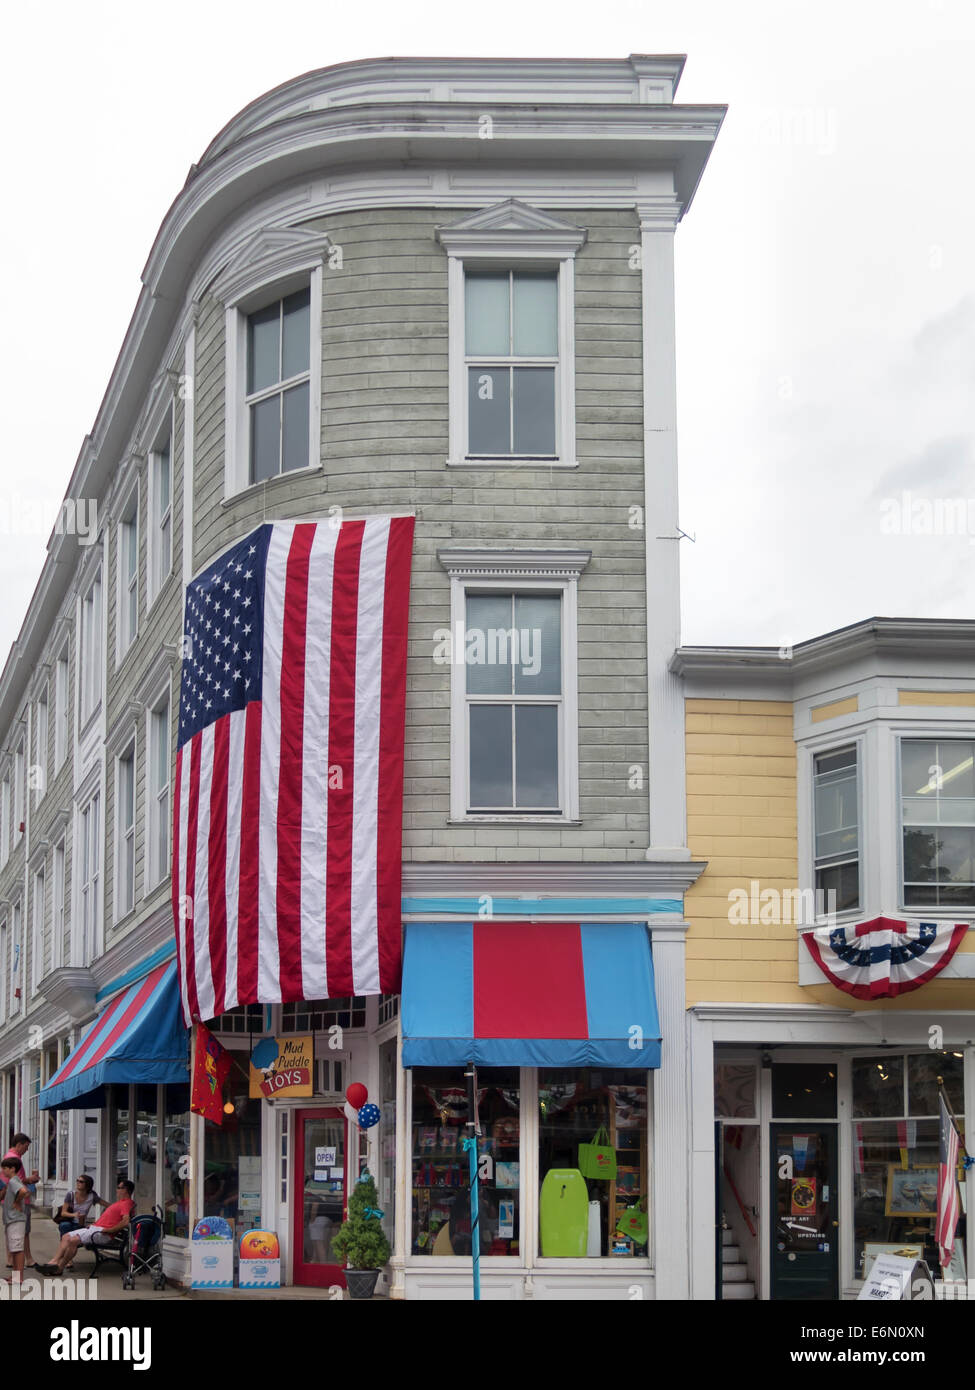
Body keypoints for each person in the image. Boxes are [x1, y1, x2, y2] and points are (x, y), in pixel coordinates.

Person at [40, 1179, 135, 1275]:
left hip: (102, 1233)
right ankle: (54, 1262)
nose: (116, 1190)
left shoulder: (126, 1203)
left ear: (125, 1190)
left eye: (119, 1188)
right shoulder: (120, 1203)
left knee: (73, 1241)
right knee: (66, 1237)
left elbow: (125, 1221)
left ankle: (58, 1268)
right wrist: (95, 1224)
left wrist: (109, 1230)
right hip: (95, 1228)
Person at [2, 1134, 39, 1269]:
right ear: (19, 1144)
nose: (27, 1150)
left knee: (12, 1229)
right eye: (26, 1146)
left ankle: (11, 1259)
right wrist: (30, 1180)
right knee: (23, 1230)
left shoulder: (9, 1157)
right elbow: (15, 1182)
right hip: (18, 1200)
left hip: (10, 1200)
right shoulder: (13, 1159)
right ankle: (26, 1259)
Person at [1, 1157, 27, 1283]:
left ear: (12, 1169)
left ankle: (19, 1278)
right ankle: (15, 1276)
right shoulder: (12, 1181)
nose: (3, 1171)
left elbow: (23, 1191)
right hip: (12, 1220)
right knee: (14, 1249)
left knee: (17, 1249)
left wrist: (16, 1202)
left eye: (5, 1168)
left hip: (15, 1219)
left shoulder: (13, 1181)